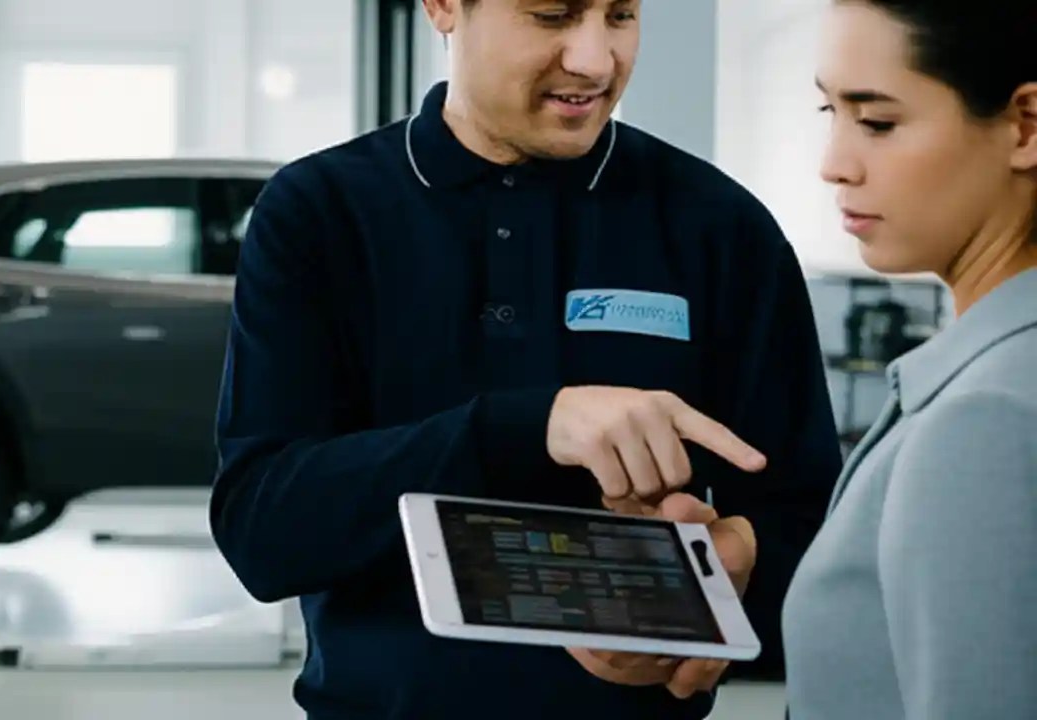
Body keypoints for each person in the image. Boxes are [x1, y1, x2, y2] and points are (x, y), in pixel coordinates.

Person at [211, 1, 841, 718]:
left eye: (622, 15)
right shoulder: (319, 212)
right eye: (551, 15)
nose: (595, 60)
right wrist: (522, 429)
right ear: (445, 7)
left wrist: (737, 566)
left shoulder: (721, 227)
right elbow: (262, 531)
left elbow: (814, 530)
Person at [783, 1, 1037, 718]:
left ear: (1025, 125)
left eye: (878, 122)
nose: (835, 165)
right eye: (827, 111)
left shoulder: (986, 420)